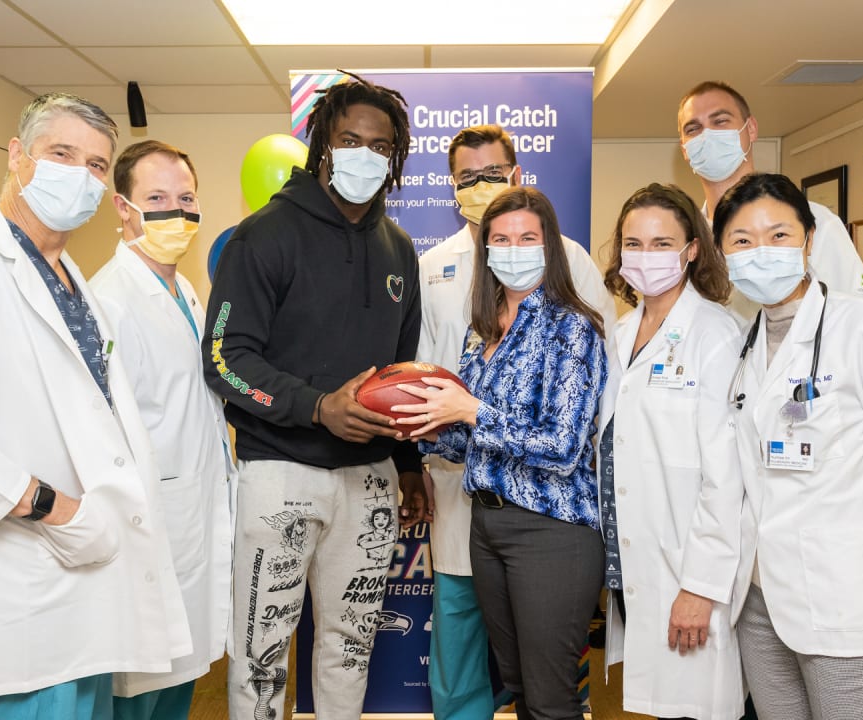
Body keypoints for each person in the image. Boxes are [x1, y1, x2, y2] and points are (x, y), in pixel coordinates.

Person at [0, 93, 191, 720]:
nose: (80, 175)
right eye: (61, 154)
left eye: (97, 166)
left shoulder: (72, 277)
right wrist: (50, 506)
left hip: (90, 587)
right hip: (21, 592)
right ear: (19, 157)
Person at [200, 73, 425, 720]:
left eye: (380, 146)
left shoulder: (399, 249)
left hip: (371, 480)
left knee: (351, 646)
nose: (364, 155)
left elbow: (401, 371)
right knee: (261, 650)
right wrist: (318, 405)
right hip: (280, 472)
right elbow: (225, 358)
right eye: (349, 140)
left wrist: (407, 466)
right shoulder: (264, 235)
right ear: (322, 145)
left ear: (396, 158)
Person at [714, 173, 863, 720]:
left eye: (778, 235)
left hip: (850, 596)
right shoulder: (743, 342)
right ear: (723, 253)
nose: (760, 252)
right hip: (760, 599)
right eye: (742, 240)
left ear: (810, 240)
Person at [416, 123, 617, 720]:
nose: (511, 248)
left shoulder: (573, 326)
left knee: (552, 695)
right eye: (500, 239)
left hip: (553, 527)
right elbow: (463, 436)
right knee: (518, 682)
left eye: (526, 237)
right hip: (487, 526)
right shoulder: (484, 336)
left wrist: (470, 411)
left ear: (548, 245)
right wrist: (419, 424)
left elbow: (562, 444)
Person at [88, 140, 233, 720]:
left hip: (192, 507)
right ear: (123, 208)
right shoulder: (109, 299)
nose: (176, 213)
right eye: (157, 199)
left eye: (186, 198)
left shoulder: (188, 291)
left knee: (180, 673)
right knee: (141, 688)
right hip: (148, 523)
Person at [597, 183, 745, 720]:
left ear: (692, 251)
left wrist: (700, 589)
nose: (645, 256)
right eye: (633, 244)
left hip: (687, 571)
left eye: (662, 244)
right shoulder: (620, 333)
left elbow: (727, 480)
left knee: (695, 707)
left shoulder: (717, 335)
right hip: (634, 563)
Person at [677, 81, 863, 317]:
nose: (707, 136)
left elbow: (861, 316)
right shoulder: (685, 239)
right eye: (693, 129)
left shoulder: (814, 221)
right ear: (684, 150)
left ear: (750, 129)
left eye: (720, 121)